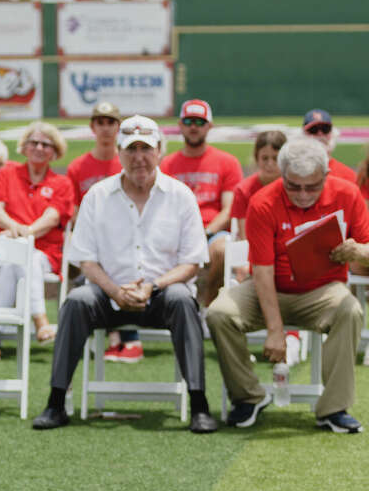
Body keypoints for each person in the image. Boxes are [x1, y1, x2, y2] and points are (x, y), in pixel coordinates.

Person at [31, 116, 216, 433]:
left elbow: (193, 263)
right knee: (77, 300)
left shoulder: (181, 195)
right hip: (108, 294)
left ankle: (199, 405)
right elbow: (85, 260)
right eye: (131, 149)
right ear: (119, 152)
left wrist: (153, 286)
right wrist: (116, 291)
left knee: (184, 300)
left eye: (146, 148)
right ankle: (56, 402)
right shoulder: (98, 196)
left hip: (162, 294)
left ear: (159, 150)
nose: (139, 157)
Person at [206, 137, 368, 433]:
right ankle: (248, 396)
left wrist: (358, 250)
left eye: (312, 186)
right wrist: (276, 330)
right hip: (268, 287)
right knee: (219, 313)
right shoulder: (263, 201)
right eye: (294, 186)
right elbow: (263, 272)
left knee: (351, 310)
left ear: (326, 176)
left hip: (323, 290)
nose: (303, 194)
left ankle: (333, 408)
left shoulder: (348, 194)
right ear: (282, 177)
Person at [0, 121, 74, 360]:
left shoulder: (62, 183)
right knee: (18, 255)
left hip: (44, 252)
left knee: (20, 256)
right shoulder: (6, 173)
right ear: (24, 146)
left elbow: (52, 219)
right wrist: (15, 228)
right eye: (34, 142)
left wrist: (24, 233)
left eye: (46, 144)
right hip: (6, 245)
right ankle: (40, 320)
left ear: (55, 151)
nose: (39, 147)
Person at [65, 101, 143, 362]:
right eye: (101, 122)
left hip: (126, 238)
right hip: (90, 236)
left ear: (118, 127)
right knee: (79, 267)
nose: (106, 128)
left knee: (123, 262)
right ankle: (98, 334)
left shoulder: (129, 162)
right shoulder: (78, 167)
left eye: (111, 122)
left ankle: (125, 338)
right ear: (92, 127)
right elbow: (72, 209)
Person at [160, 99, 242, 306]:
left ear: (209, 126)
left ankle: (208, 307)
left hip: (213, 233)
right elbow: (162, 207)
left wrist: (206, 232)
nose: (194, 127)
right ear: (180, 125)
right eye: (188, 121)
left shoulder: (227, 162)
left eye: (199, 121)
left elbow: (229, 209)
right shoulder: (167, 164)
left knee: (223, 251)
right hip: (176, 232)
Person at [231, 130, 287, 240]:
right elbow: (244, 237)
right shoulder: (243, 190)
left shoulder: (294, 187)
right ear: (257, 158)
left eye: (275, 158)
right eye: (265, 158)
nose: (270, 164)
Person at [299, 108, 356, 183]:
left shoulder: (349, 175)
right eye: (313, 130)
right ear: (303, 134)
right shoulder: (293, 172)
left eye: (325, 129)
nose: (320, 134)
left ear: (332, 133)